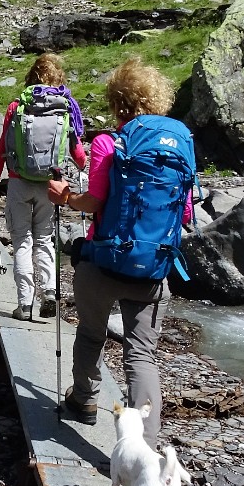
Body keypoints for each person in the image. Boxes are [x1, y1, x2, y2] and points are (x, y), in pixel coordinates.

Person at [46, 58, 196, 441]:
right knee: (141, 355)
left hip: (102, 263)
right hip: (152, 269)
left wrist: (67, 198)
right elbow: (185, 215)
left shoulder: (108, 143)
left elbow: (94, 202)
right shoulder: (179, 144)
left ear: (117, 102)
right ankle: (144, 445)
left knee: (92, 334)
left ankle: (84, 400)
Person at [0, 53, 87, 321]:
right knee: (44, 240)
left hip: (18, 183)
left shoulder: (17, 106)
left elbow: (1, 150)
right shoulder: (65, 108)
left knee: (22, 242)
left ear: (32, 76)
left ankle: (25, 305)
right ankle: (50, 292)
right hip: (50, 185)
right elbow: (79, 156)